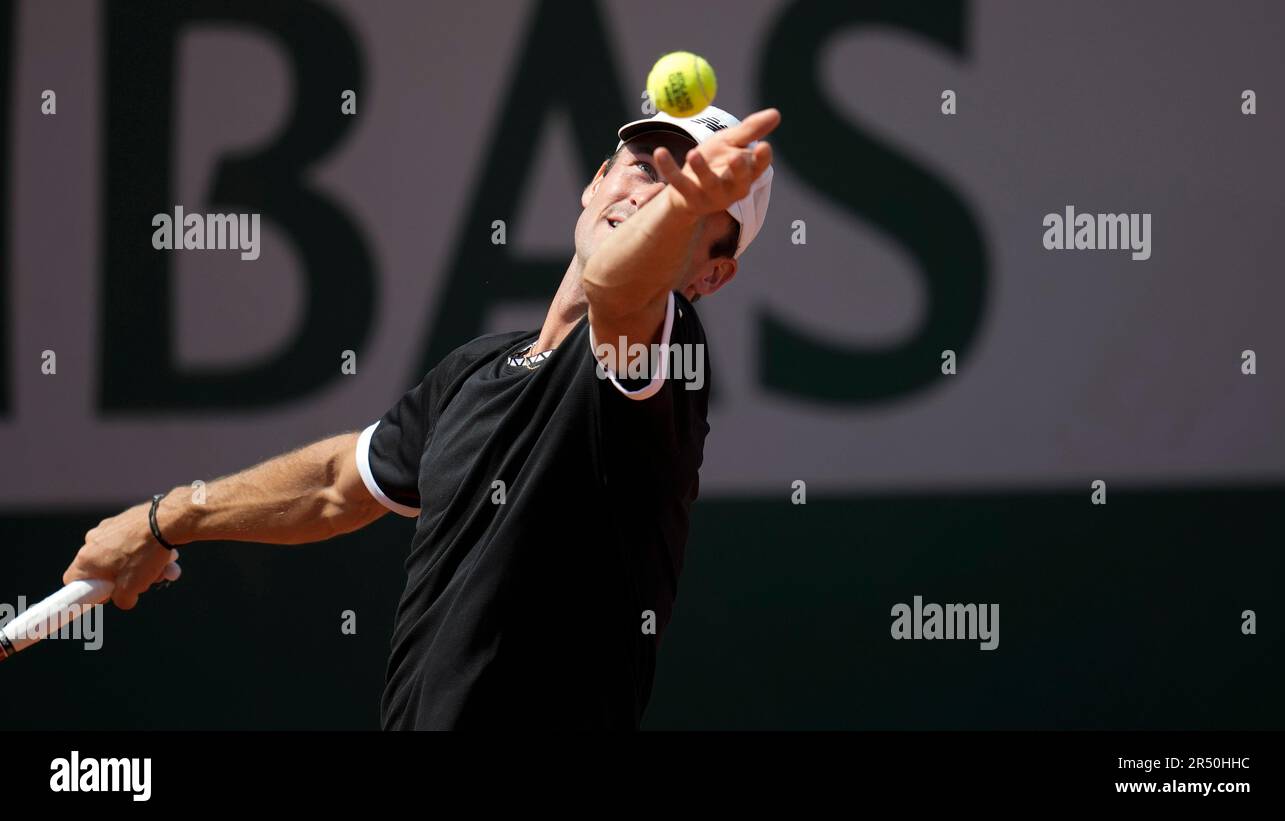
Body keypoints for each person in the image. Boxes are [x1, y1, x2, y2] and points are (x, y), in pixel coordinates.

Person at [64, 105, 780, 729]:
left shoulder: (662, 353)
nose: (655, 194)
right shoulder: (474, 370)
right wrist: (167, 518)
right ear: (596, 180)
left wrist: (676, 209)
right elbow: (336, 484)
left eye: (690, 196)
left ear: (711, 274)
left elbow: (618, 287)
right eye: (644, 169)